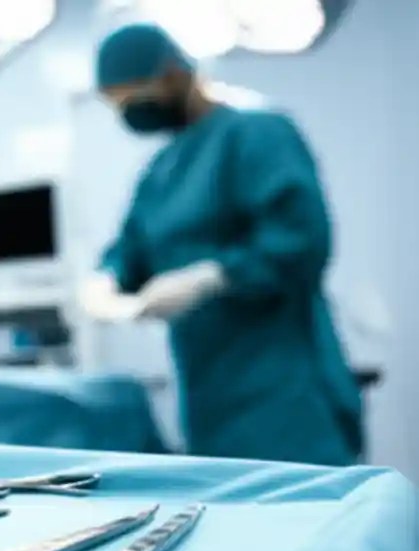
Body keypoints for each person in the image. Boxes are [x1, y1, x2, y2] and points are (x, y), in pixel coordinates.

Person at [81, 24, 363, 465]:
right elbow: (130, 248)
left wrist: (214, 276)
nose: (130, 113)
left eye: (136, 97)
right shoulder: (160, 170)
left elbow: (301, 241)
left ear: (175, 74)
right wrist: (105, 278)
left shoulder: (258, 133)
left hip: (284, 389)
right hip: (207, 394)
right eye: (116, 104)